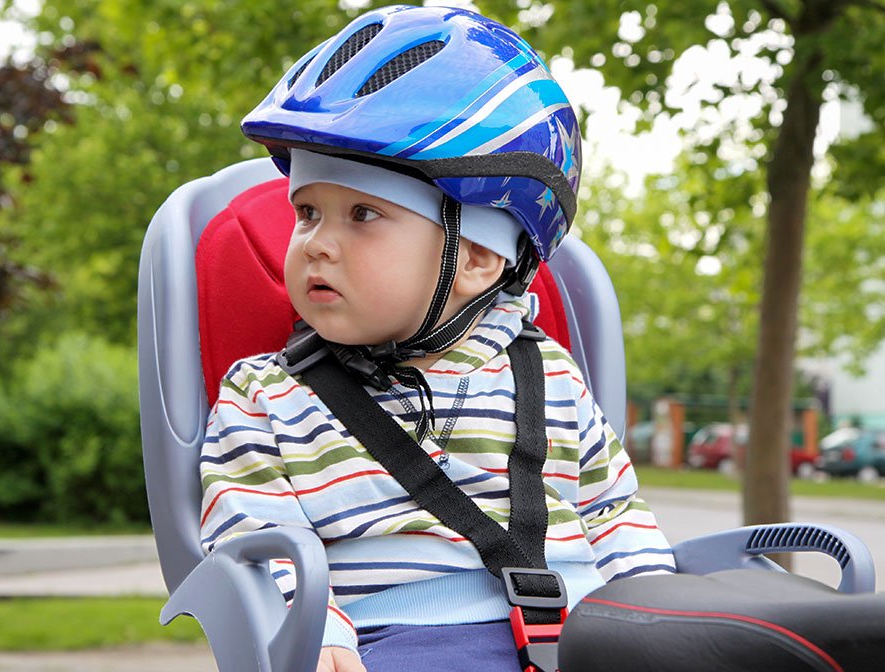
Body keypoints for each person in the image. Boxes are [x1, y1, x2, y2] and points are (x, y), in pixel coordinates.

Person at [200, 6, 675, 671]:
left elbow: (614, 513)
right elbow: (250, 537)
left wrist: (659, 619)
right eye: (306, 212)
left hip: (588, 636)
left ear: (478, 256)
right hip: (397, 643)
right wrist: (316, 632)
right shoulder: (264, 399)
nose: (315, 245)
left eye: (362, 214)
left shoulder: (551, 376)